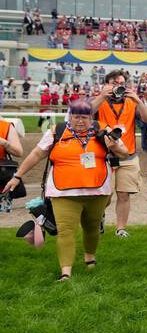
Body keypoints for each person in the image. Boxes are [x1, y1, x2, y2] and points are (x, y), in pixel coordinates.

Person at [3, 99, 129, 280]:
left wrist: (113, 145)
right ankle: (66, 272)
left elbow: (124, 152)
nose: (80, 121)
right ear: (70, 116)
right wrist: (17, 176)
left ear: (90, 117)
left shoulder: (102, 130)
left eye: (84, 117)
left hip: (98, 191)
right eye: (76, 116)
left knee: (92, 227)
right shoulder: (57, 131)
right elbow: (36, 154)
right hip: (63, 192)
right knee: (65, 230)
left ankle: (90, 257)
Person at [91, 69, 147, 238]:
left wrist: (138, 99)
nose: (118, 87)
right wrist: (102, 96)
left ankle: (121, 229)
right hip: (103, 156)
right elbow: (85, 113)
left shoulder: (131, 102)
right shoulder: (100, 101)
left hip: (128, 156)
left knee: (124, 195)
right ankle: (99, 218)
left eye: (121, 84)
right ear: (107, 84)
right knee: (104, 196)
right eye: (114, 83)